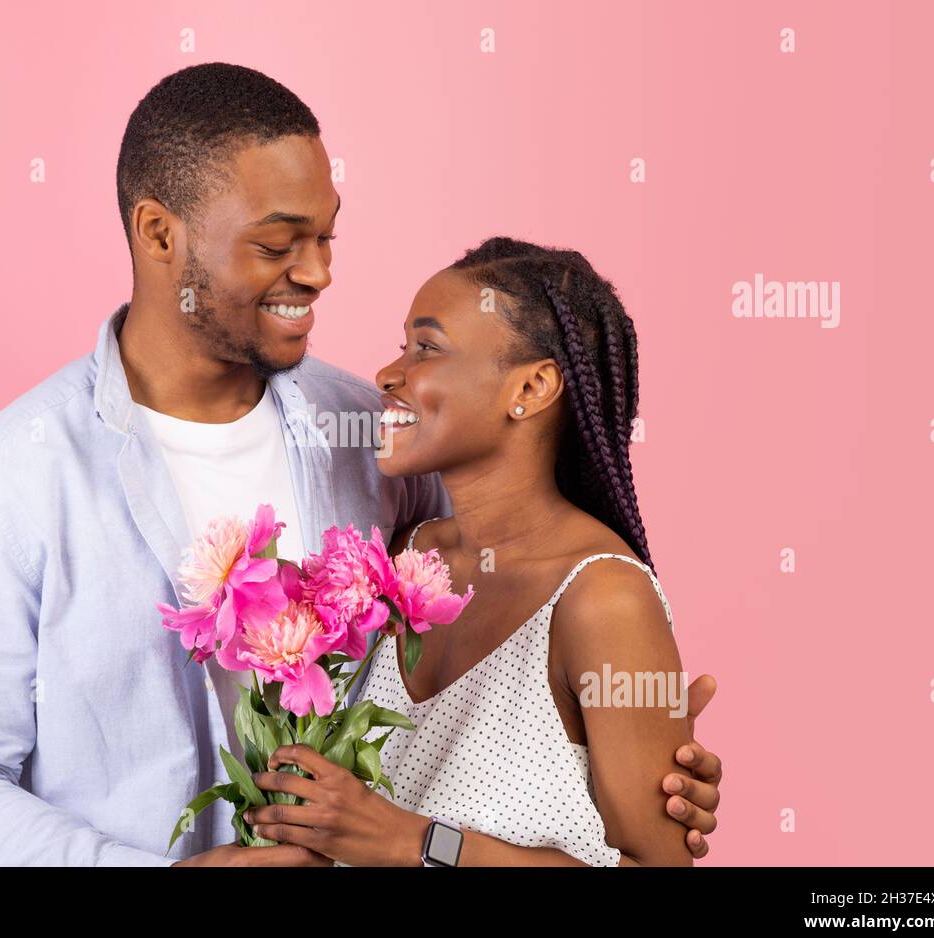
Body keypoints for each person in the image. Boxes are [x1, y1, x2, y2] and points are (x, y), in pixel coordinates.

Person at [0, 63, 722, 867]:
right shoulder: (1, 487)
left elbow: (517, 642)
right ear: (159, 233)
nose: (318, 273)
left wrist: (631, 751)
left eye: (325, 236)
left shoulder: (377, 443)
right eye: (279, 242)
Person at [247, 239, 718, 865]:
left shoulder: (605, 601)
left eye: (428, 348)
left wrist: (411, 841)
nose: (389, 375)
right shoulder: (406, 559)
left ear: (532, 385)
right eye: (403, 346)